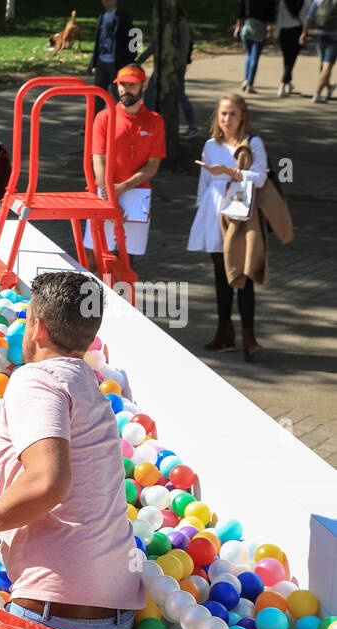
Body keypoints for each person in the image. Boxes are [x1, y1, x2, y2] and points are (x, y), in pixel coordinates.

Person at [0, 271, 145, 629]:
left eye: (28, 317)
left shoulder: (37, 379)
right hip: (116, 616)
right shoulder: (89, 386)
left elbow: (49, 482)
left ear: (39, 329)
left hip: (55, 616)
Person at [188, 95, 272, 360]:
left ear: (243, 115)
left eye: (233, 114)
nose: (227, 119)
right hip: (214, 210)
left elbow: (259, 178)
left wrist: (231, 171)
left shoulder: (253, 143)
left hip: (241, 211)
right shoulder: (211, 145)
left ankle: (249, 336)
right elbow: (204, 181)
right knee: (221, 274)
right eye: (223, 114)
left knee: (242, 273)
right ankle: (224, 331)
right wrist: (201, 213)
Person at [83, 64, 165, 264]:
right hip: (103, 194)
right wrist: (110, 197)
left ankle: (119, 297)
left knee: (125, 264)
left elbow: (153, 165)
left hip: (137, 196)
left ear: (143, 86)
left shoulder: (155, 121)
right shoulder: (104, 117)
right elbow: (98, 160)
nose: (125, 89)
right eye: (122, 84)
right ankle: (91, 297)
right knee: (92, 260)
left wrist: (124, 187)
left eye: (132, 85)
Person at [134, 4, 197, 138]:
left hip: (175, 68)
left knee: (180, 95)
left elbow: (184, 48)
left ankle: (192, 127)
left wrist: (177, 67)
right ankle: (147, 126)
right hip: (161, 66)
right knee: (149, 95)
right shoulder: (162, 22)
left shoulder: (181, 23)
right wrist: (139, 61)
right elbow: (154, 45)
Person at [90, 0, 137, 98]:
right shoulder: (102, 17)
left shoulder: (123, 17)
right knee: (98, 95)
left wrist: (130, 60)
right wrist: (93, 62)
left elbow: (135, 35)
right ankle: (97, 114)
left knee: (119, 95)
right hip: (101, 62)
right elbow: (98, 41)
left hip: (117, 63)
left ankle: (121, 113)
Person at [236, 0, 275, 93]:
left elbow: (241, 12)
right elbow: (270, 15)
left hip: (246, 27)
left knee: (249, 55)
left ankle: (246, 79)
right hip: (260, 28)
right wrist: (270, 29)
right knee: (255, 57)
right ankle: (250, 84)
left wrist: (237, 27)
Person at [304, 0, 337, 102]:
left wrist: (304, 33)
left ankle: (329, 87)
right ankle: (317, 94)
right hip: (334, 38)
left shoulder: (318, 1)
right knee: (326, 67)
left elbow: (309, 17)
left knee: (324, 65)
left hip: (321, 35)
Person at [276, 0, 307, 95]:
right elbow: (307, 19)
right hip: (297, 31)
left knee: (287, 59)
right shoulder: (305, 2)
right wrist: (305, 33)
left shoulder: (283, 2)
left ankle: (288, 83)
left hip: (284, 33)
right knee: (291, 59)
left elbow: (279, 20)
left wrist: (276, 34)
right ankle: (282, 84)